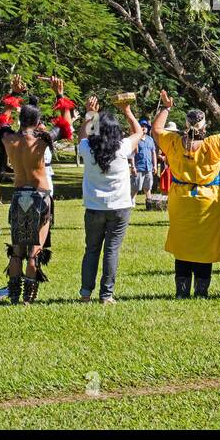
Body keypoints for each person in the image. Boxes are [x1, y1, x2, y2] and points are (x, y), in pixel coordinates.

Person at [152, 88, 220, 298]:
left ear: (185, 125)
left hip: (181, 200)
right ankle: (201, 291)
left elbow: (155, 130)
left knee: (182, 245)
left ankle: (181, 291)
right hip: (207, 200)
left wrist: (166, 108)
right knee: (205, 246)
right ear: (204, 126)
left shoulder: (173, 142)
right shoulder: (213, 144)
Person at [0, 82, 71, 304]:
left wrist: (13, 95)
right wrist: (60, 95)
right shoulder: (42, 141)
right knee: (35, 249)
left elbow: (0, 122)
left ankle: (13, 296)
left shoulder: (9, 140)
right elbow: (66, 124)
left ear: (20, 121)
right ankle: (28, 298)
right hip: (40, 196)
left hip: (19, 195)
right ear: (38, 122)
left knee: (17, 250)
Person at [77, 96, 144, 303]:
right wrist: (127, 110)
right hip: (119, 208)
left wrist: (90, 114)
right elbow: (139, 132)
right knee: (111, 250)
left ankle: (86, 293)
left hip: (94, 207)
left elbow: (81, 135)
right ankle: (106, 295)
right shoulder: (122, 147)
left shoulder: (88, 149)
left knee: (91, 250)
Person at [130, 118, 158, 205]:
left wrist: (155, 166)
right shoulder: (135, 139)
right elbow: (132, 154)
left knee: (148, 186)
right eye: (142, 126)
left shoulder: (150, 139)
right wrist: (133, 166)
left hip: (148, 167)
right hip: (138, 167)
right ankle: (131, 200)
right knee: (136, 186)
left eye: (145, 126)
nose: (144, 128)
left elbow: (153, 153)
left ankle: (149, 201)